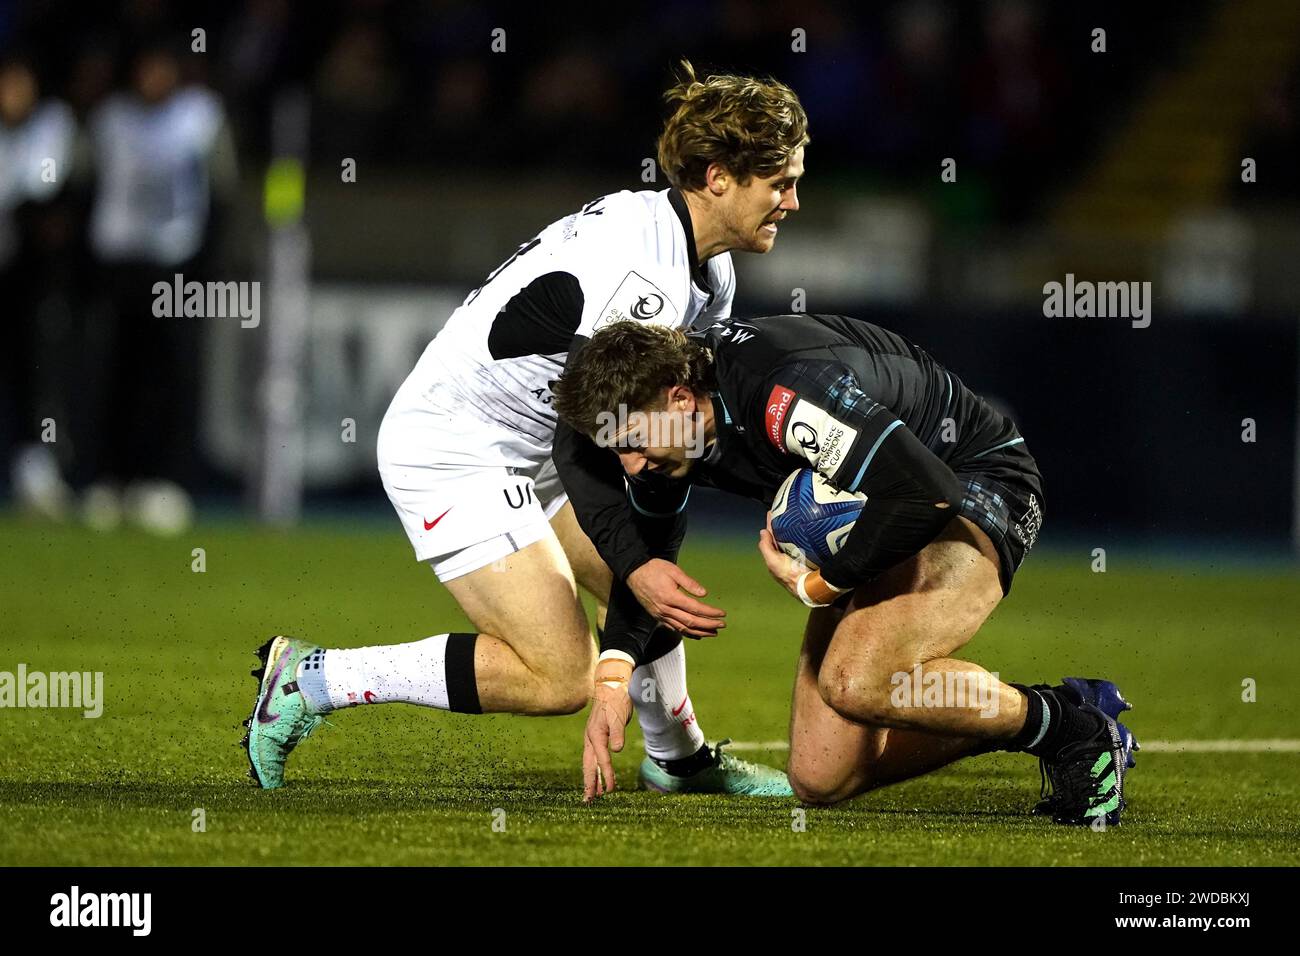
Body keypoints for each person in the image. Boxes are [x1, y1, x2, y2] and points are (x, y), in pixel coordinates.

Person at [244, 62, 808, 795]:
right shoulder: (639, 281)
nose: (793, 200)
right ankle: (313, 680)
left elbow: (666, 434)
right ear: (717, 177)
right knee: (560, 676)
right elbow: (587, 445)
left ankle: (677, 758)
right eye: (780, 181)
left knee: (648, 582)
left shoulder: (703, 266)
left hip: (534, 440)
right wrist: (638, 557)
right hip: (457, 445)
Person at [551, 315, 1139, 825]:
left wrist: (823, 583)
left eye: (632, 440)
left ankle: (1073, 730)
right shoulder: (670, 438)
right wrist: (612, 676)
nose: (630, 463)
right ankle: (1038, 715)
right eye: (616, 448)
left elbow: (927, 492)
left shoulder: (784, 395)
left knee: (858, 683)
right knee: (819, 778)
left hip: (974, 483)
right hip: (881, 505)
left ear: (680, 397)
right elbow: (649, 567)